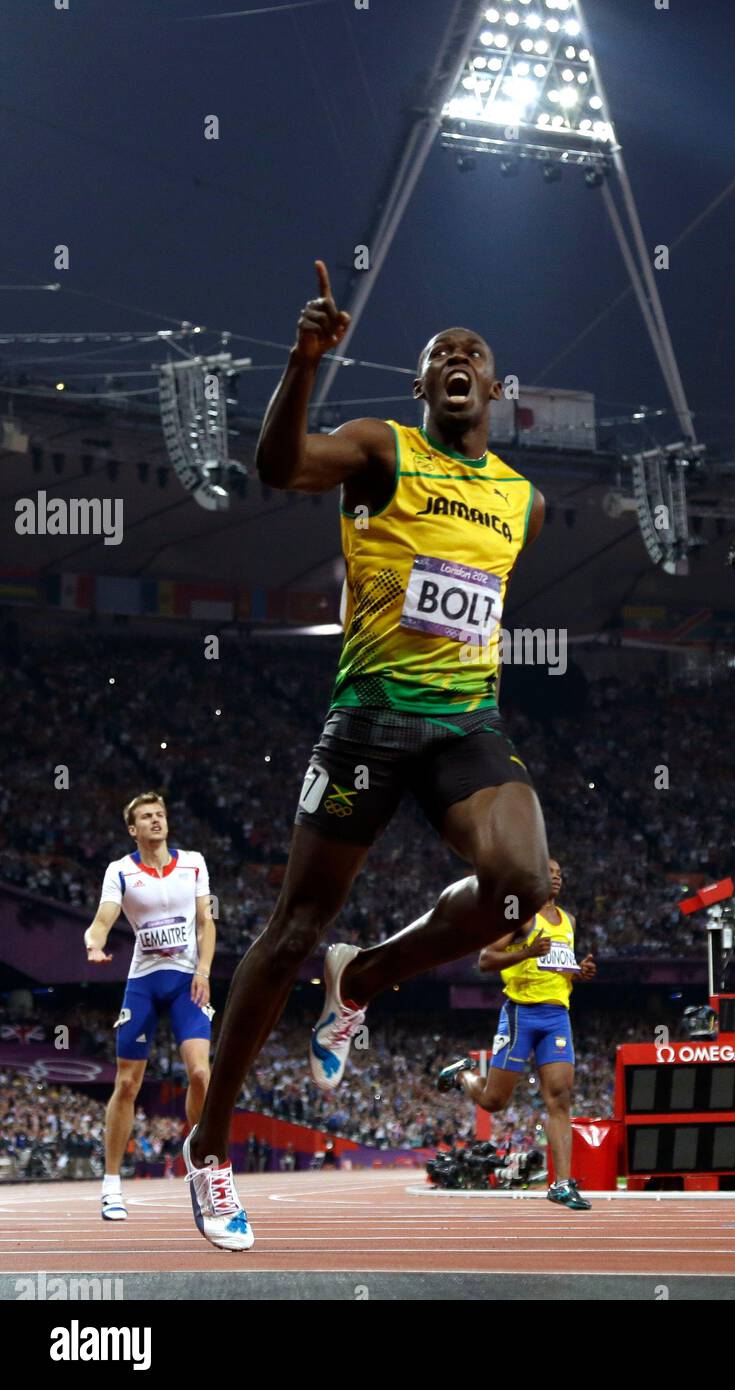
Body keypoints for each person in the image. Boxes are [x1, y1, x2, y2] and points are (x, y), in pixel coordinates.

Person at [183, 261, 549, 1250]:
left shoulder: (525, 501)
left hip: (466, 726)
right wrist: (304, 363)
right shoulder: (382, 448)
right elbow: (279, 465)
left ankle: (365, 981)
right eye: (440, 357)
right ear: (423, 388)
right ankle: (209, 1146)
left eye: (473, 352)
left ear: (496, 388)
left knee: (525, 883)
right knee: (296, 925)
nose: (458, 358)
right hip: (369, 723)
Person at [84, 792, 215, 1222]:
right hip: (143, 983)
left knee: (201, 1073)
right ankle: (111, 1185)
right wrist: (94, 943)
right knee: (127, 1084)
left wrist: (204, 971)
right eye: (146, 817)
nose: (156, 820)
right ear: (132, 829)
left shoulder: (194, 862)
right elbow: (103, 919)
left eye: (160, 814)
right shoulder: (119, 871)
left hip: (186, 983)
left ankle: (199, 1162)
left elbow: (205, 921)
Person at [437, 859, 596, 1210]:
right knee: (495, 1102)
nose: (556, 876)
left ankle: (562, 1184)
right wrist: (526, 951)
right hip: (521, 1014)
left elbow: (557, 967)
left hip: (556, 1016)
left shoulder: (568, 921)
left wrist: (577, 973)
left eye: (560, 873)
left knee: (560, 1098)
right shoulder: (519, 916)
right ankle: (462, 1073)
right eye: (549, 872)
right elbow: (485, 960)